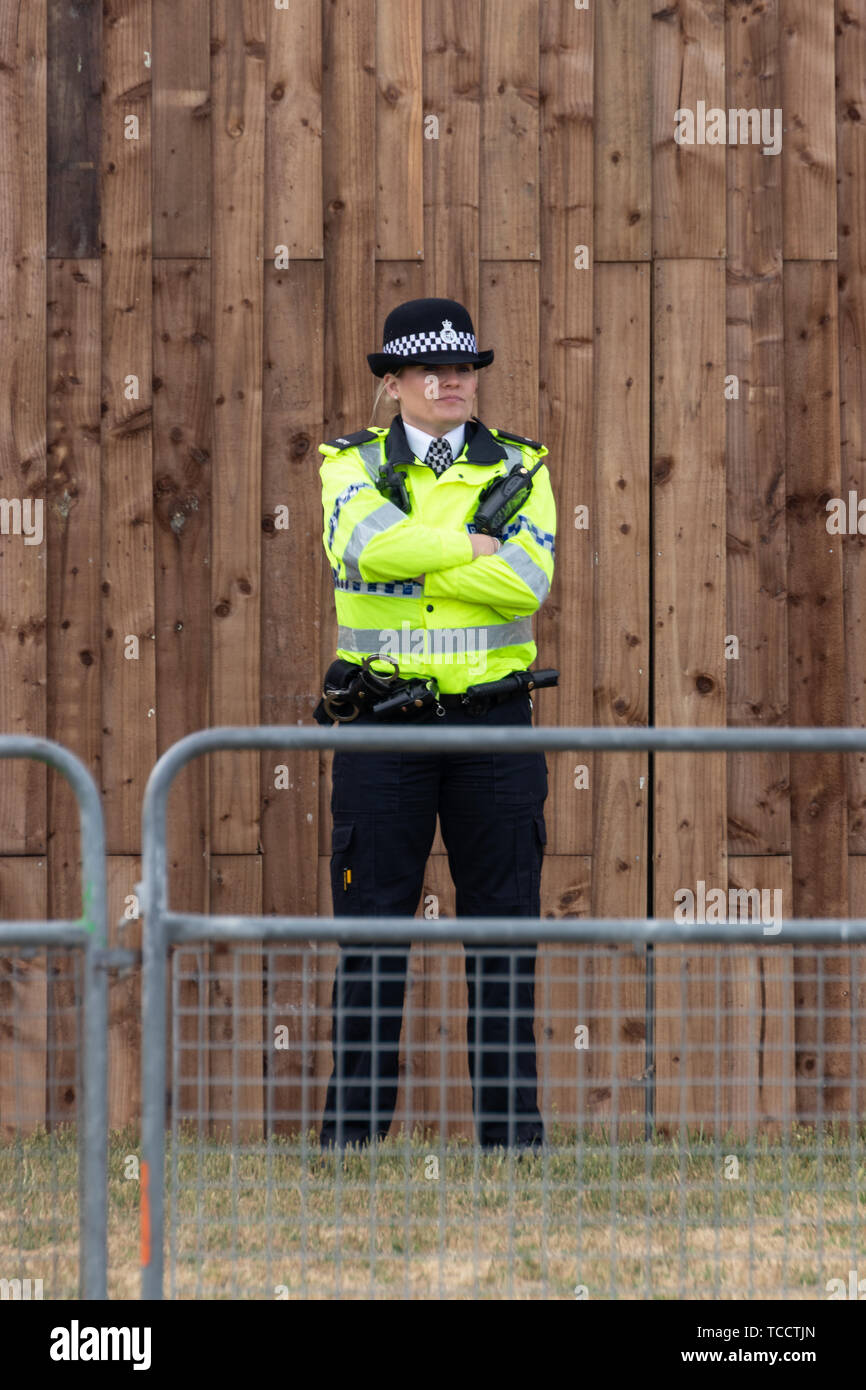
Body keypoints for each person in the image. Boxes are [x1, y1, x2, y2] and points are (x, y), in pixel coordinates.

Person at [314, 297, 557, 1152]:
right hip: (383, 729)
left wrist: (430, 545)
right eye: (430, 370)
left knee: (503, 939)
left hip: (495, 728)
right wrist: (475, 549)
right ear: (392, 384)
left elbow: (527, 584)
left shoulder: (523, 464)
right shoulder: (346, 465)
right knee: (372, 937)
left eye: (463, 368)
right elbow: (363, 550)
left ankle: (513, 1146)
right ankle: (350, 1145)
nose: (452, 381)